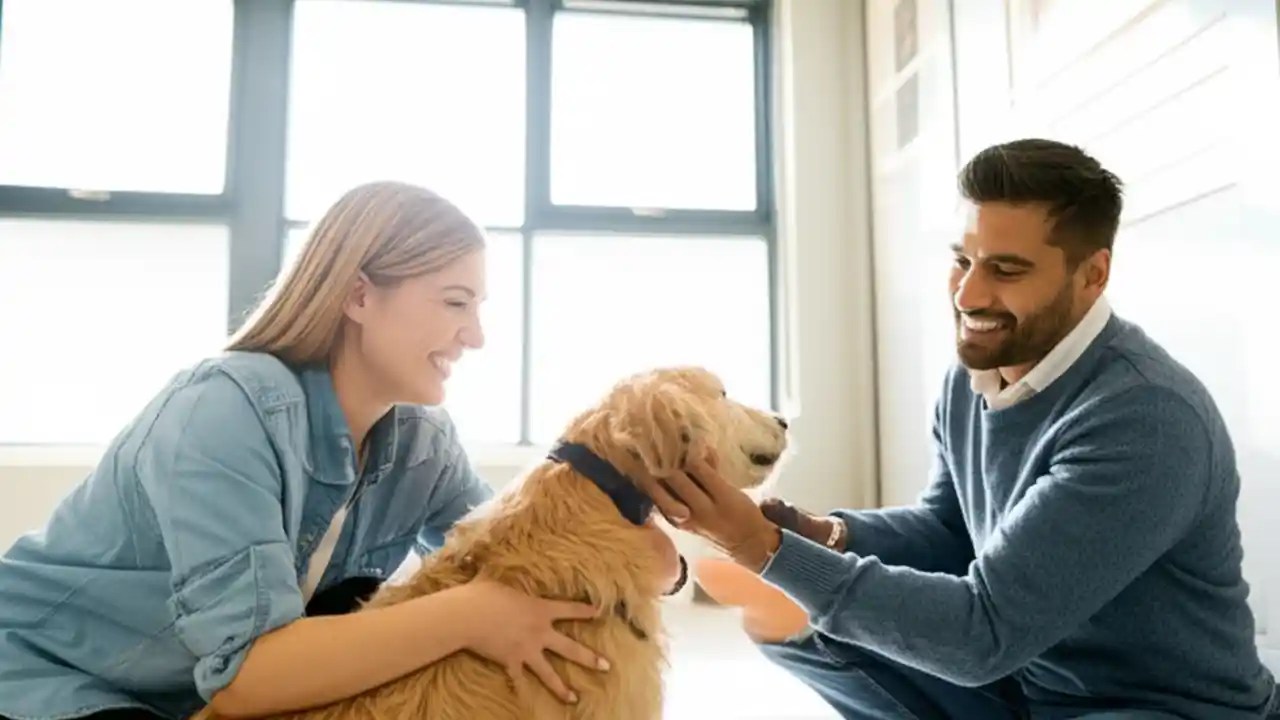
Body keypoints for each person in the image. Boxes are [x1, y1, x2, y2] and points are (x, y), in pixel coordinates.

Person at [642, 139, 1280, 719]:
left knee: (824, 595)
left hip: (1162, 708)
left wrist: (762, 547)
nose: (968, 295)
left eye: (1006, 270)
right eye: (962, 260)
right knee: (811, 625)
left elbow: (982, 635)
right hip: (1032, 686)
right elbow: (953, 530)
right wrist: (828, 534)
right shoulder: (975, 375)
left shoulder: (1145, 420)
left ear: (1093, 275)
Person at [0, 181, 680, 720]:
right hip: (52, 682)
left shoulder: (420, 441)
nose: (474, 336)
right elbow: (247, 675)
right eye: (454, 302)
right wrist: (470, 614)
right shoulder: (224, 411)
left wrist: (650, 551)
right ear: (358, 295)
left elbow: (525, 562)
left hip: (193, 700)